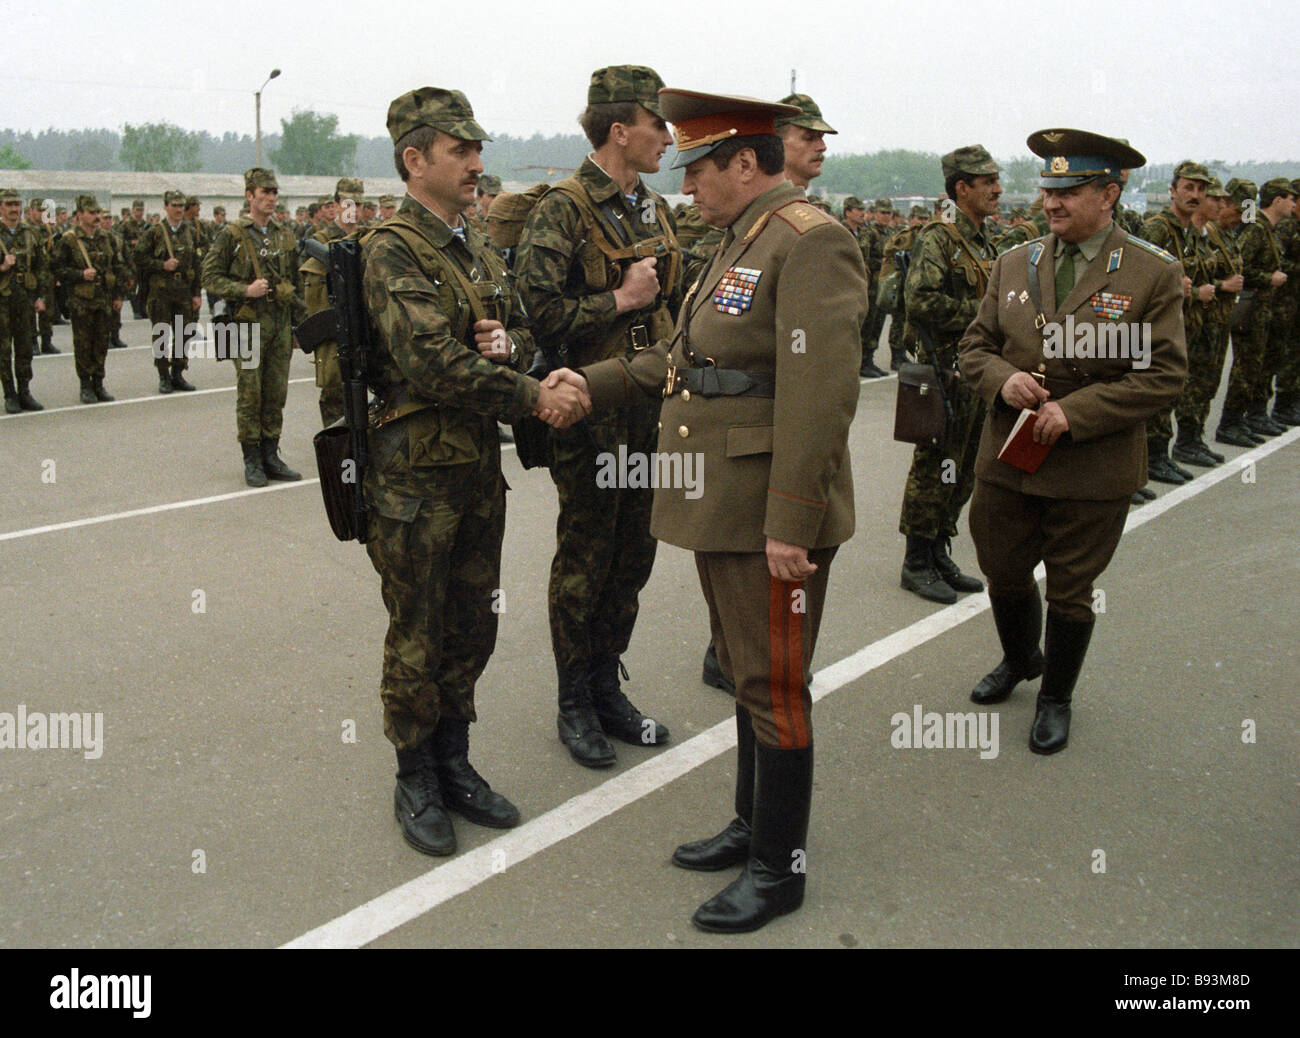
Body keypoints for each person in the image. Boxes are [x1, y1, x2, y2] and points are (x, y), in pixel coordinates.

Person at [555, 87, 867, 933]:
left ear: (741, 162)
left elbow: (821, 395)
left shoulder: (811, 243)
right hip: (721, 501)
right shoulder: (740, 239)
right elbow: (682, 357)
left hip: (767, 512)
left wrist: (792, 524)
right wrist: (594, 380)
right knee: (744, 674)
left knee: (776, 686)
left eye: (699, 168)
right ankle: (749, 825)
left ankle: (779, 870)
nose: (686, 185)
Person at [361, 85, 589, 856]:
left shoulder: (476, 245)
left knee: (471, 623)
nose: (476, 162)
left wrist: (514, 353)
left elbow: (520, 330)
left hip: (472, 473)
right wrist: (531, 393)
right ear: (414, 158)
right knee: (417, 628)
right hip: (413, 480)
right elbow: (428, 362)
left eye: (476, 149)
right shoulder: (393, 247)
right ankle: (414, 774)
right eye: (460, 150)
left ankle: (454, 759)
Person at [959, 128, 1187, 754]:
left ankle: (1056, 695)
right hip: (1009, 456)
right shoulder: (1015, 261)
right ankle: (1018, 658)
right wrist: (1002, 380)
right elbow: (975, 347)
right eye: (1048, 188)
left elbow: (1164, 373)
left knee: (1070, 587)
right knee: (1002, 569)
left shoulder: (1150, 272)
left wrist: (1077, 412)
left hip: (1091, 466)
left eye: (1071, 190)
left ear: (1110, 193)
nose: (1052, 202)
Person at [514, 65, 679, 770]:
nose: (668, 138)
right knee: (587, 553)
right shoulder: (565, 207)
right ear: (620, 129)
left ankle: (607, 683)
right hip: (589, 410)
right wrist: (619, 301)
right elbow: (535, 313)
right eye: (658, 124)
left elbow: (674, 295)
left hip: (647, 408)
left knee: (634, 550)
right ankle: (574, 699)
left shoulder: (651, 207)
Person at [898, 145, 1002, 604]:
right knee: (933, 467)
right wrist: (982, 313)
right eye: (988, 182)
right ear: (963, 189)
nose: (998, 189)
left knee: (962, 470)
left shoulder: (983, 240)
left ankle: (939, 549)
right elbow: (919, 300)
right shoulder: (938, 238)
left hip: (973, 374)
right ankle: (916, 561)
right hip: (942, 374)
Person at [201, 168, 305, 486]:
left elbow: (295, 280)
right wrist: (244, 290)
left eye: (274, 193)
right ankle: (252, 460)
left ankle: (271, 455)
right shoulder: (232, 234)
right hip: (247, 325)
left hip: (278, 324)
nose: (271, 199)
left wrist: (299, 323)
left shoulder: (283, 234)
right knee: (251, 395)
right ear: (250, 196)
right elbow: (209, 276)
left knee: (276, 392)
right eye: (264, 193)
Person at [1139, 160, 1212, 485]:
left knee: (1169, 393)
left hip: (1179, 326)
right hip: (1151, 330)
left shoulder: (1188, 232)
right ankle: (1147, 461)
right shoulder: (1158, 227)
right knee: (1150, 397)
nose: (1195, 195)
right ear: (1172, 191)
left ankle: (1159, 457)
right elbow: (1137, 276)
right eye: (1188, 188)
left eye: (1200, 189)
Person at [299, 177, 365, 425]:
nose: (354, 210)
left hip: (363, 328)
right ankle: (337, 453)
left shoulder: (368, 238)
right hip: (334, 330)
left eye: (359, 204)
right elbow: (313, 298)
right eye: (349, 203)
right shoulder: (321, 240)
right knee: (335, 395)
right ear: (337, 204)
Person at [51, 195, 127, 404]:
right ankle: (85, 385)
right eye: (91, 213)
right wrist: (80, 275)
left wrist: (119, 295)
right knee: (84, 345)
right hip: (81, 302)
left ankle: (98, 383)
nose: (96, 216)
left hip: (103, 301)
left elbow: (117, 267)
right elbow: (56, 269)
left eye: (97, 212)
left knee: (101, 343)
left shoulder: (107, 238)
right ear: (80, 214)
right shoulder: (68, 239)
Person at [136, 189, 201, 394]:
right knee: (162, 334)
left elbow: (197, 264)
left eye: (181, 205)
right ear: (165, 207)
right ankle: (163, 375)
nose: (179, 209)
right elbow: (138, 258)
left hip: (183, 292)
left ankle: (178, 373)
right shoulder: (154, 232)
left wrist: (197, 293)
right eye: (174, 205)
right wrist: (161, 265)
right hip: (161, 292)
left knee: (184, 333)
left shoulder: (190, 231)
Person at [0, 186, 50, 412]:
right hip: (2, 300)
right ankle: (9, 394)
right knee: (3, 349)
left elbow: (42, 267)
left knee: (25, 348)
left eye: (17, 205)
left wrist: (40, 296)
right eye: (9, 205)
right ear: (1, 207)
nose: (14, 209)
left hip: (24, 300)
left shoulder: (30, 233)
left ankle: (24, 391)